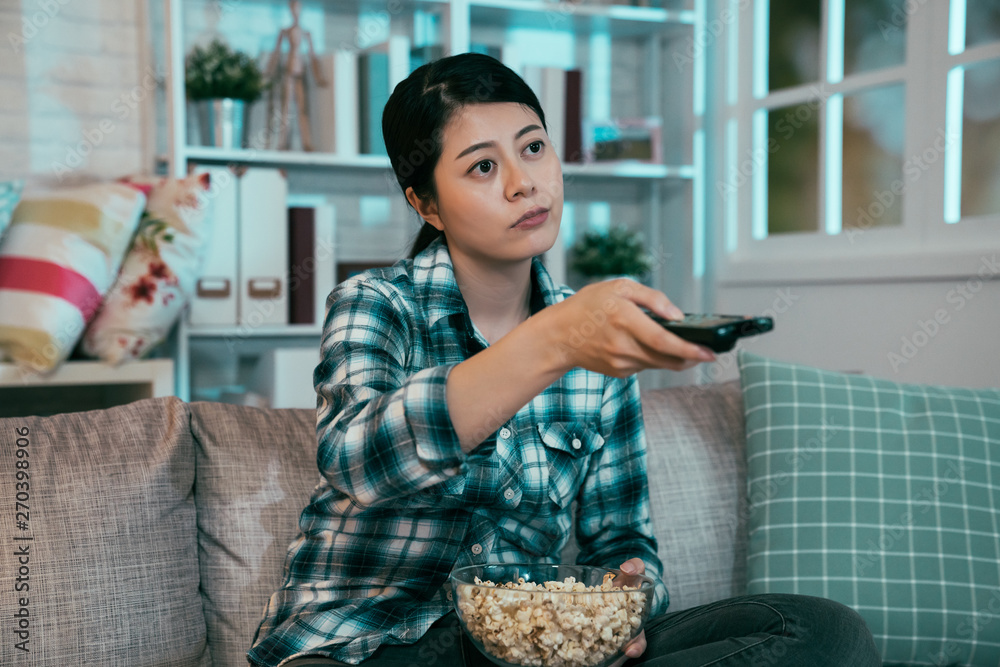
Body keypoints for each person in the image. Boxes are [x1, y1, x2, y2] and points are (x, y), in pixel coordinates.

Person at [248, 53, 880, 667]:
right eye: (481, 168)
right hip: (370, 643)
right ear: (427, 204)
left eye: (532, 147)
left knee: (820, 632)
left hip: (529, 643)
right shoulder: (375, 305)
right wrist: (556, 342)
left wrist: (626, 600)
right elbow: (355, 458)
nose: (525, 182)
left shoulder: (595, 337)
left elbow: (622, 540)